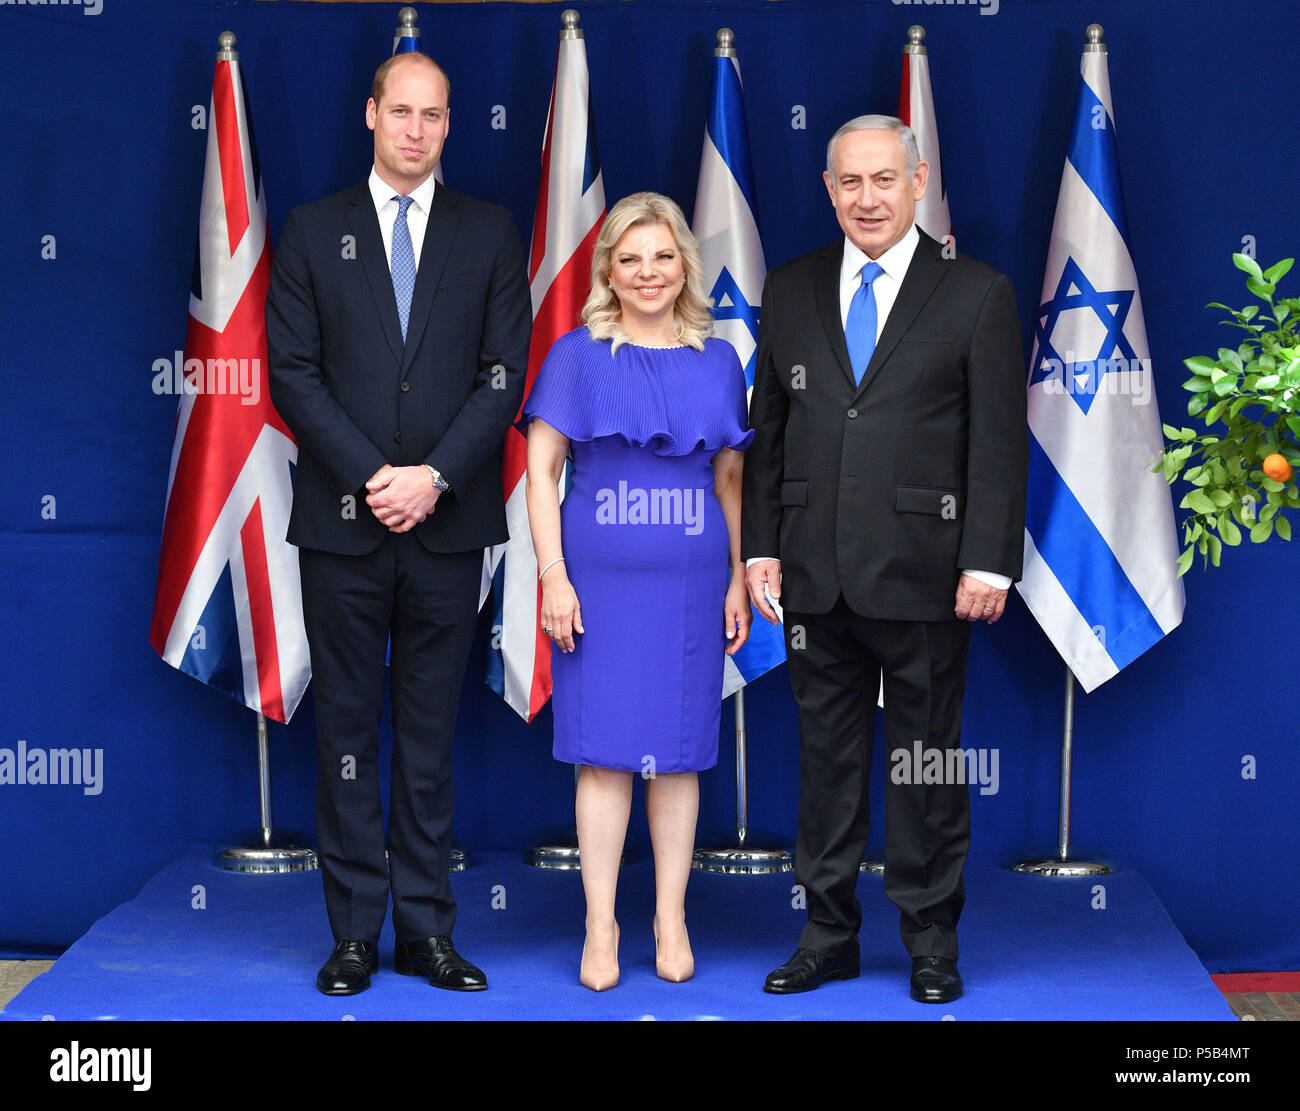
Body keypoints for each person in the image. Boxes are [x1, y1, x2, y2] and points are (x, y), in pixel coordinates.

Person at [742, 115, 1028, 1003]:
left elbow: (999, 442)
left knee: (926, 764)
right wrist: (758, 547)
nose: (867, 198)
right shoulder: (788, 288)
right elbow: (768, 434)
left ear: (918, 181)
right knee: (825, 764)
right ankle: (828, 933)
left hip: (929, 575)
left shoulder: (977, 293)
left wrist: (989, 559)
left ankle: (932, 939)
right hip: (813, 574)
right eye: (849, 183)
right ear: (829, 190)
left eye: (883, 180)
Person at [265, 51, 531, 996]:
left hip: (450, 529)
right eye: (401, 112)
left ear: (450, 124)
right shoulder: (309, 231)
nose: (416, 131)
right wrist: (381, 476)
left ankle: (425, 932)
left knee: (426, 739)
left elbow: (504, 375)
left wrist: (434, 478)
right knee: (345, 731)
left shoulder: (490, 232)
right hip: (342, 529)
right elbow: (292, 374)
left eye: (434, 116)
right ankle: (351, 935)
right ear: (371, 115)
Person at [522, 193, 753, 991]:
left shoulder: (719, 359)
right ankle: (599, 923)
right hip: (596, 585)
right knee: (604, 756)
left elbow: (730, 474)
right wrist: (552, 574)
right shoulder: (576, 355)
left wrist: (736, 573)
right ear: (607, 271)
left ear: (685, 265)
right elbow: (540, 469)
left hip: (691, 589)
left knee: (680, 757)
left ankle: (669, 916)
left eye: (662, 257)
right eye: (630, 259)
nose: (648, 273)